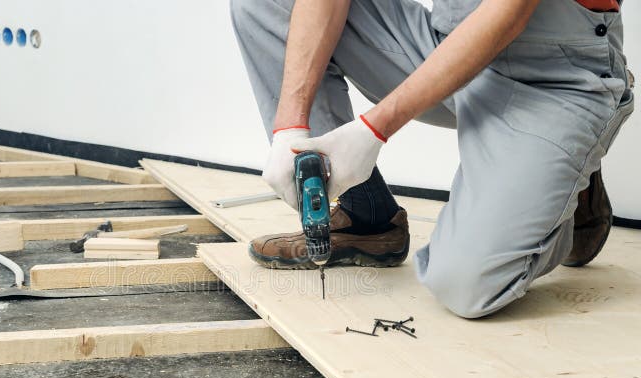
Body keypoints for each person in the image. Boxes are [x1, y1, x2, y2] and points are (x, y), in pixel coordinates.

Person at [231, 0, 633, 318]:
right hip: (447, 45)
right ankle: (365, 216)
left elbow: (507, 14)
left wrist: (373, 129)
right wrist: (290, 128)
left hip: (552, 77)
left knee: (465, 285)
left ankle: (569, 177)